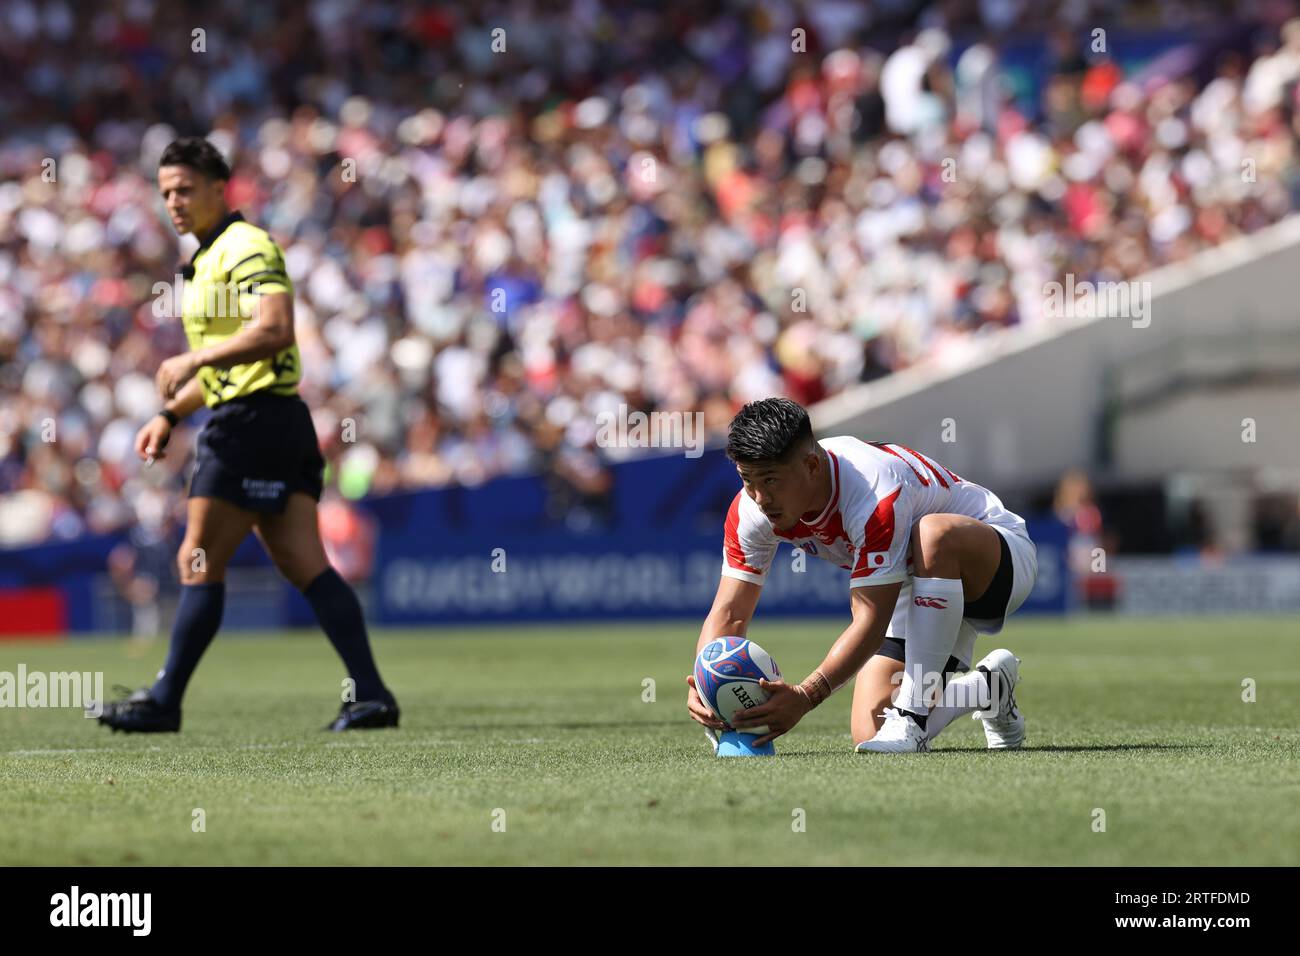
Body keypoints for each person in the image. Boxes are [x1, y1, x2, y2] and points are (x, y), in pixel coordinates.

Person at [95, 137, 399, 733]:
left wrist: (191, 360)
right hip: (274, 420)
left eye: (185, 190)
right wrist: (172, 414)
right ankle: (371, 695)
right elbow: (234, 368)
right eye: (166, 194)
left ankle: (164, 700)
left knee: (198, 556)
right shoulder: (205, 261)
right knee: (304, 562)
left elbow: (277, 330)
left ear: (218, 189)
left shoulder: (247, 246)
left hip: (252, 425)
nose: (175, 203)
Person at [686, 397, 1036, 753]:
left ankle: (912, 718)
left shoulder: (873, 491)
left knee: (932, 534)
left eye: (771, 480)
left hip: (997, 562)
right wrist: (706, 681)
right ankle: (989, 688)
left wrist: (806, 696)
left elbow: (869, 621)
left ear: (810, 466)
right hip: (913, 582)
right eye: (747, 480)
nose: (760, 497)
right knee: (871, 734)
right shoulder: (752, 510)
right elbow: (730, 613)